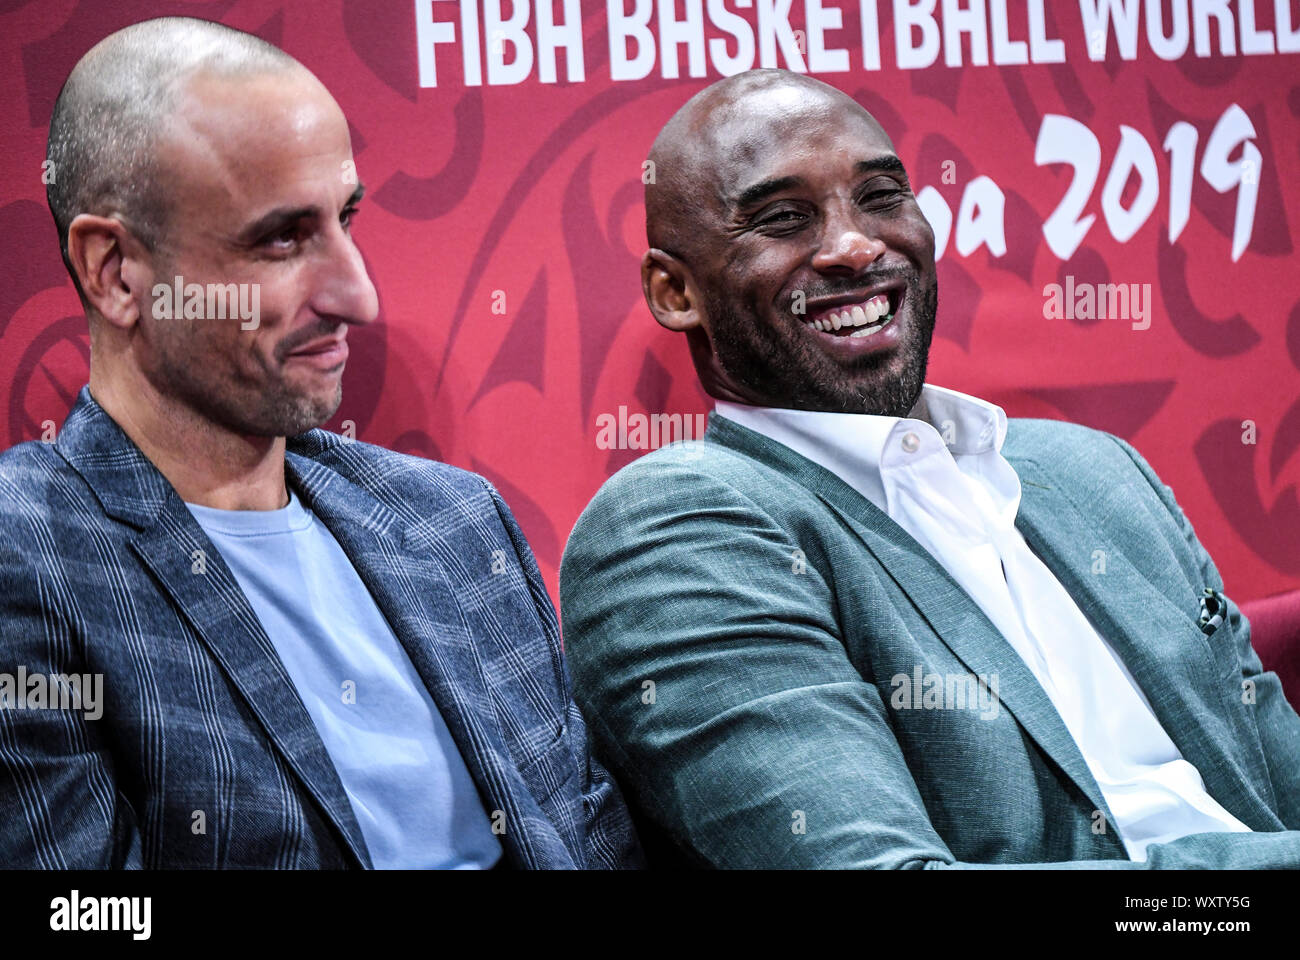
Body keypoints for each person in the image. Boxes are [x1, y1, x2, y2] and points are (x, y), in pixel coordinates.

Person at [559, 68, 1300, 869]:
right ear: (675, 291)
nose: (855, 244)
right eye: (782, 218)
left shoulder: (1095, 473)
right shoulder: (677, 531)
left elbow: (1274, 770)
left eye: (881, 198)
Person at [0, 16, 640, 870]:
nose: (358, 296)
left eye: (346, 219)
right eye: (281, 238)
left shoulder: (452, 520)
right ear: (117, 272)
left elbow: (591, 840)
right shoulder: (26, 553)